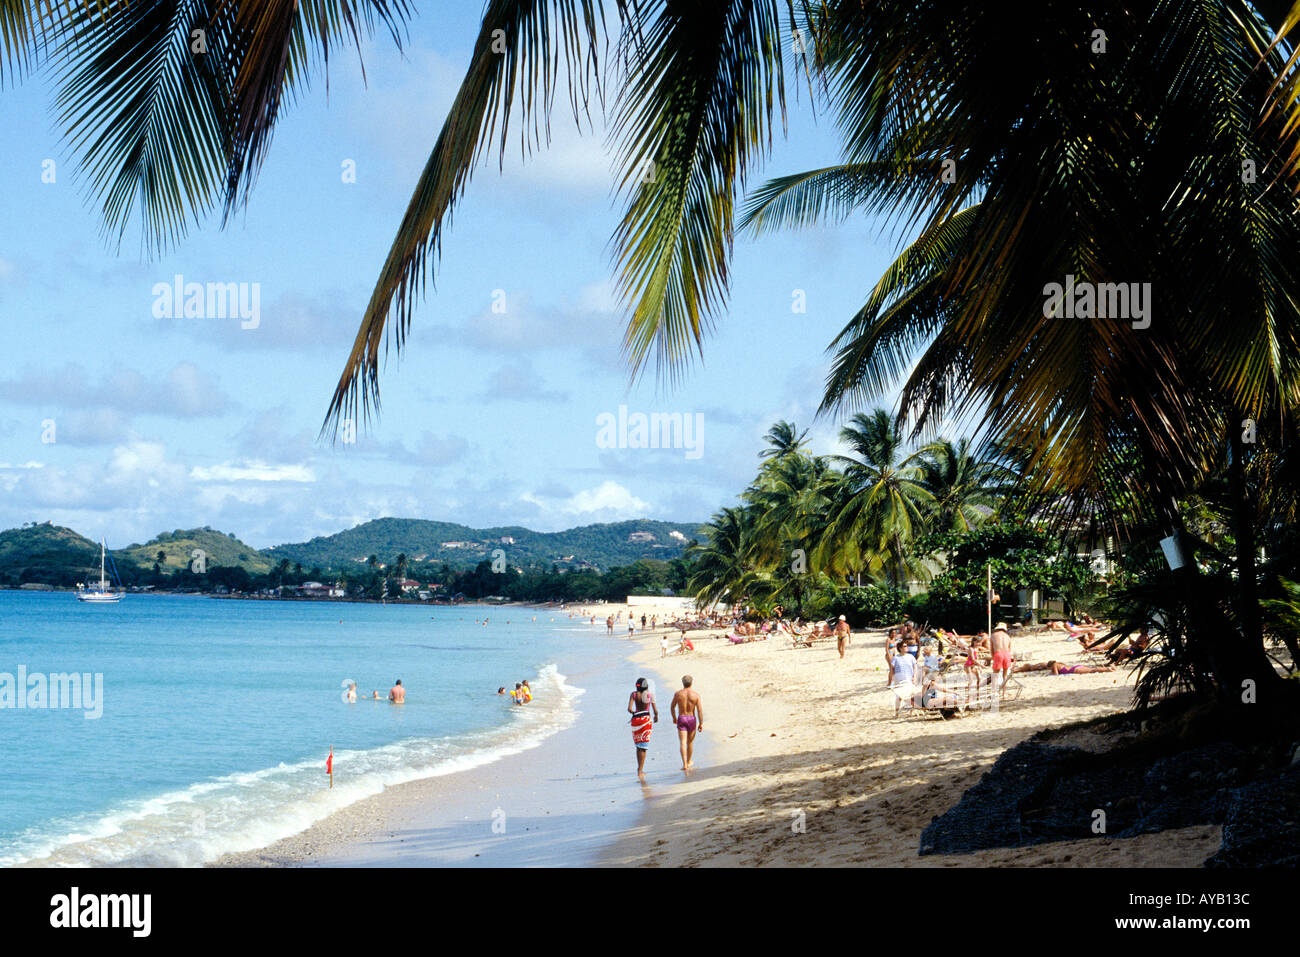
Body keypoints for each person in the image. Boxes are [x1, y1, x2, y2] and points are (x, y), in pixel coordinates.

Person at [627, 678, 658, 780]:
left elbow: (629, 709)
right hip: (645, 720)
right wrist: (656, 717)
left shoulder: (634, 694)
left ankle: (639, 769)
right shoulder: (649, 695)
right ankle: (640, 770)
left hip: (636, 720)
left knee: (638, 746)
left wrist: (635, 713)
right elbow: (655, 710)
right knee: (644, 747)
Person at [670, 675, 703, 771]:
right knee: (690, 742)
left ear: (682, 683)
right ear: (691, 683)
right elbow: (699, 710)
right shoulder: (696, 695)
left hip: (682, 718)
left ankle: (684, 764)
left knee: (683, 742)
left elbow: (672, 706)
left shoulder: (678, 694)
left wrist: (674, 718)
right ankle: (688, 761)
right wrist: (701, 723)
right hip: (691, 718)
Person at [887, 640, 917, 716]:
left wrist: (914, 677)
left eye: (906, 646)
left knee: (911, 695)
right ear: (900, 648)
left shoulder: (911, 657)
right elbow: (892, 670)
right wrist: (891, 681)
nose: (906, 647)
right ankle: (896, 712)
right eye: (904, 646)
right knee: (899, 696)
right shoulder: (896, 658)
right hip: (899, 679)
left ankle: (911, 711)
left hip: (909, 678)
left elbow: (915, 667)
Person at [989, 624, 1013, 696]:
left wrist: (993, 658)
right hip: (1007, 654)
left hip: (998, 653)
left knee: (995, 674)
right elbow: (1010, 649)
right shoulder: (1007, 636)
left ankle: (994, 692)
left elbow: (992, 649)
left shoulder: (993, 635)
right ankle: (1004, 693)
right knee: (1005, 675)